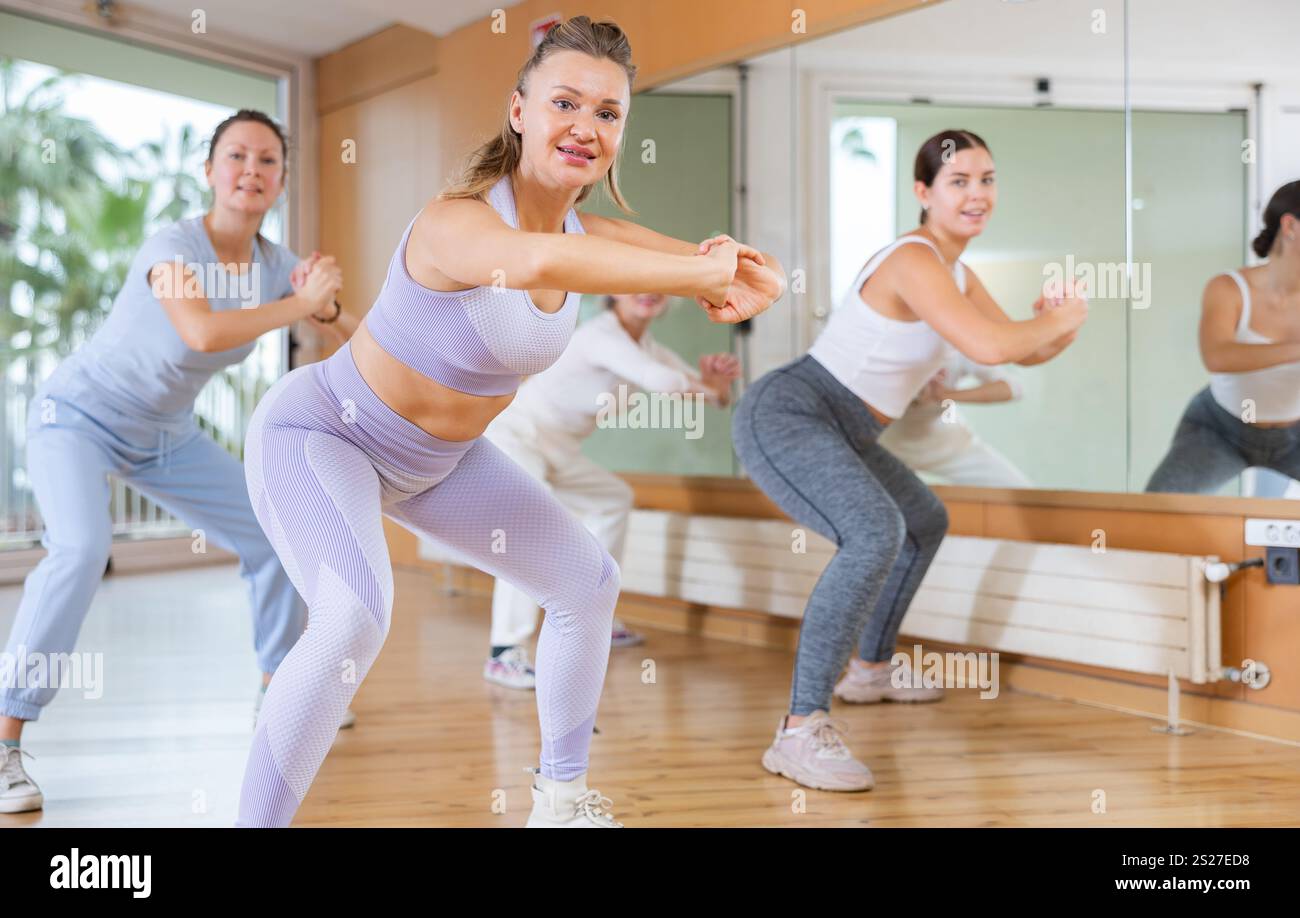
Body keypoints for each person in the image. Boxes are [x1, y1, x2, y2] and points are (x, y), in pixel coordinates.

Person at [235, 16, 784, 828]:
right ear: (519, 110)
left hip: (443, 462)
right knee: (353, 615)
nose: (586, 127)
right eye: (565, 101)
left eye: (608, 113)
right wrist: (695, 273)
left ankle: (560, 804)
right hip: (324, 434)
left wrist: (738, 273)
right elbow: (534, 263)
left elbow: (670, 263)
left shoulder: (589, 233)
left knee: (586, 582)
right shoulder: (454, 221)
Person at [0, 110, 354, 815]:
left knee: (271, 534)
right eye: (236, 156)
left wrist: (328, 298)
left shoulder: (278, 266)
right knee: (81, 548)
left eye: (267, 161)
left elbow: (345, 327)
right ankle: (6, 739)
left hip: (164, 434)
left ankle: (276, 698)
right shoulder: (175, 246)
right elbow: (198, 329)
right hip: (75, 416)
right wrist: (299, 305)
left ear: (281, 181)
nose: (251, 170)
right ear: (210, 171)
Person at [731, 129, 1085, 792]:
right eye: (958, 181)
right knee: (874, 531)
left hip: (848, 430)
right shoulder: (914, 260)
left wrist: (1059, 326)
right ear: (924, 193)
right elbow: (989, 344)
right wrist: (1061, 320)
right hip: (791, 413)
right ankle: (799, 731)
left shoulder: (955, 271)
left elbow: (1019, 348)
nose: (976, 193)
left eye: (987, 179)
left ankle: (871, 669)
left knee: (922, 518)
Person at [482, 292, 741, 689]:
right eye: (634, 284)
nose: (647, 292)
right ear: (611, 293)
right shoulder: (598, 336)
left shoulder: (648, 347)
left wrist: (715, 386)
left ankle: (593, 614)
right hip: (518, 434)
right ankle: (504, 653)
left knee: (612, 498)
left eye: (657, 287)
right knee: (528, 529)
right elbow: (664, 382)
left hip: (560, 448)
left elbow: (716, 399)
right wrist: (699, 384)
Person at [1146, 181, 1300, 494]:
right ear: (1291, 226)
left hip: (1294, 434)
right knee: (1157, 511)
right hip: (1220, 428)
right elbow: (1218, 356)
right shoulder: (1228, 288)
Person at [877, 352, 1031, 487]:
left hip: (947, 443)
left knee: (1021, 490)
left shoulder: (958, 343)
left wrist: (945, 395)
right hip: (885, 445)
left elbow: (1013, 388)